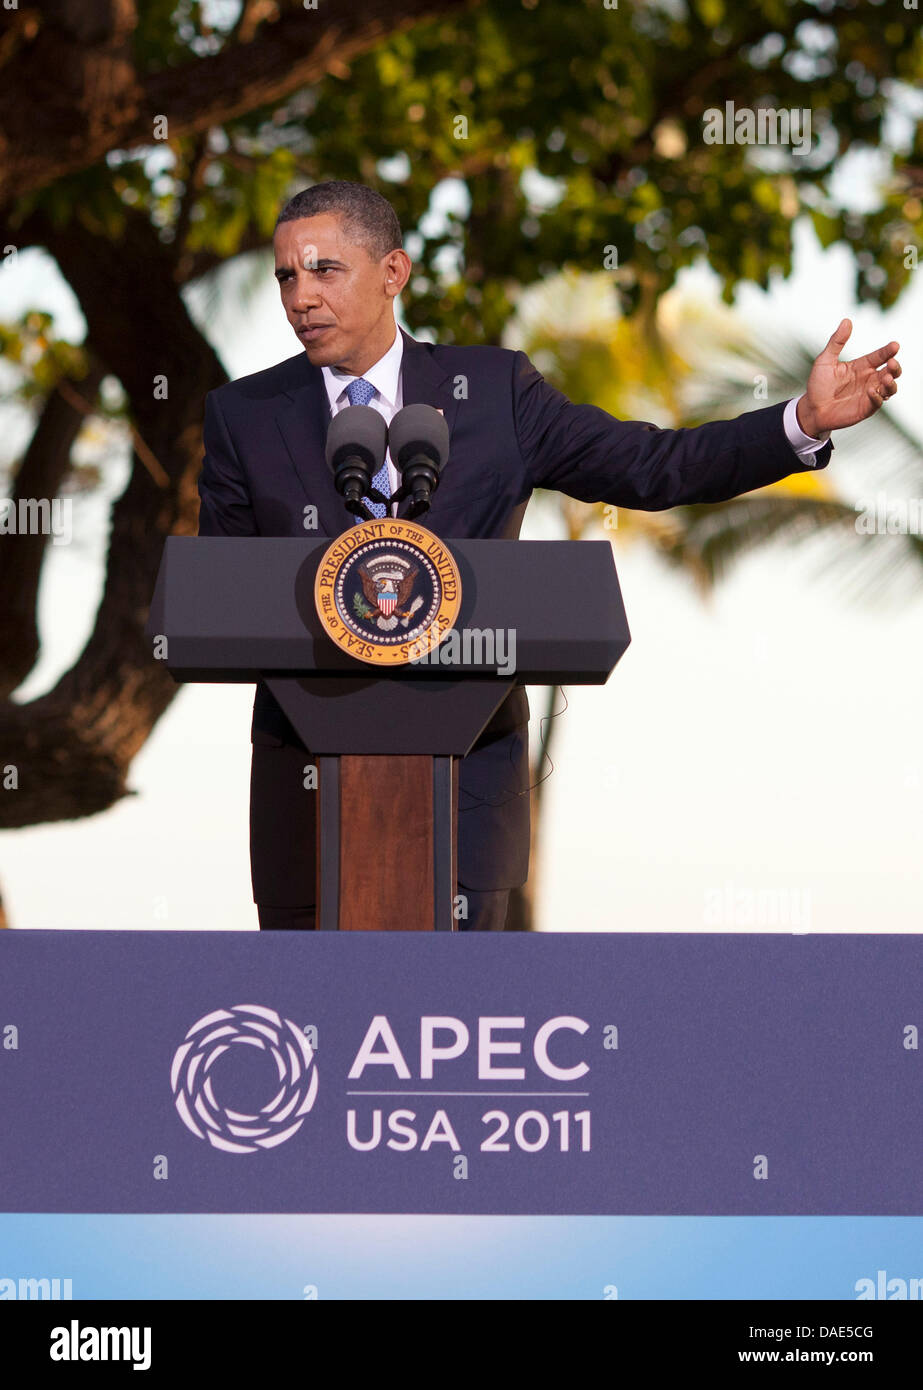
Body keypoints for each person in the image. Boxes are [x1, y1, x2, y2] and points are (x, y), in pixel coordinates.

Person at [197, 180, 901, 932]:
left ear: (393, 272)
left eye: (324, 270)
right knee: (317, 1017)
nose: (300, 297)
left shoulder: (496, 393)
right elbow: (223, 598)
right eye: (285, 276)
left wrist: (798, 422)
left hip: (468, 770)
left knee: (462, 1025)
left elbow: (651, 466)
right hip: (305, 775)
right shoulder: (244, 415)